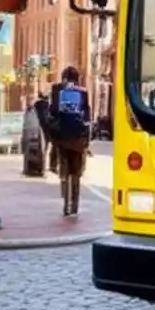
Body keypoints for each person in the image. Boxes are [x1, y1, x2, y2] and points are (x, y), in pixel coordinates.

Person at [48, 67, 91, 216]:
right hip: (78, 140)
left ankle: (65, 205)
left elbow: (52, 112)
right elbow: (87, 117)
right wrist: (87, 141)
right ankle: (75, 206)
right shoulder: (83, 92)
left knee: (64, 173)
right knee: (76, 174)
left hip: (62, 139)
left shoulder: (57, 90)